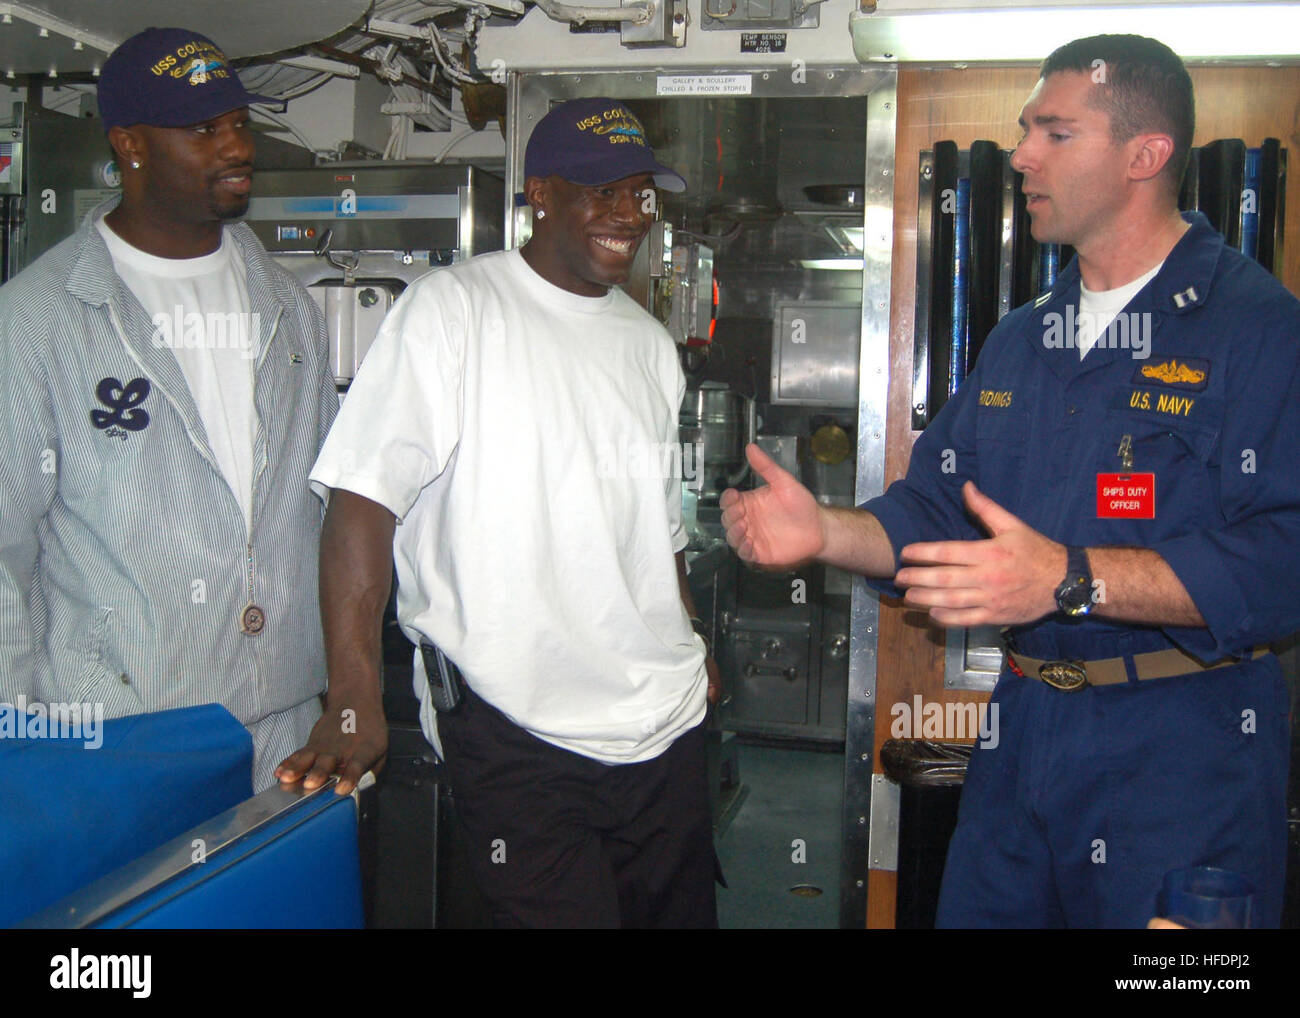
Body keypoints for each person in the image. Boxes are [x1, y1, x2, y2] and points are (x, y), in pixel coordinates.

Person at [721, 34, 1297, 928]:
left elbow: (1285, 560)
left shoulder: (1260, 330)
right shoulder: (1024, 338)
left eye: (1055, 133)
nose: (1021, 153)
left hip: (1186, 751)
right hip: (1023, 731)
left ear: (1147, 155)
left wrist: (1072, 577)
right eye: (1026, 128)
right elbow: (933, 509)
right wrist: (827, 532)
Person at [278, 97, 722, 928]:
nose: (630, 213)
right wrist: (353, 693)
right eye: (603, 191)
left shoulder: (647, 345)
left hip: (664, 725)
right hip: (517, 727)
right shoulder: (454, 312)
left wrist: (691, 644)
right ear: (542, 193)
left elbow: (654, 527)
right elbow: (360, 503)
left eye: (642, 193)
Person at [0, 27, 338, 791]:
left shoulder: (288, 308)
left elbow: (323, 515)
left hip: (284, 728)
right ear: (130, 145)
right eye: (202, 129)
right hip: (120, 738)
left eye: (240, 125)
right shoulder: (38, 317)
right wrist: (16, 748)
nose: (235, 147)